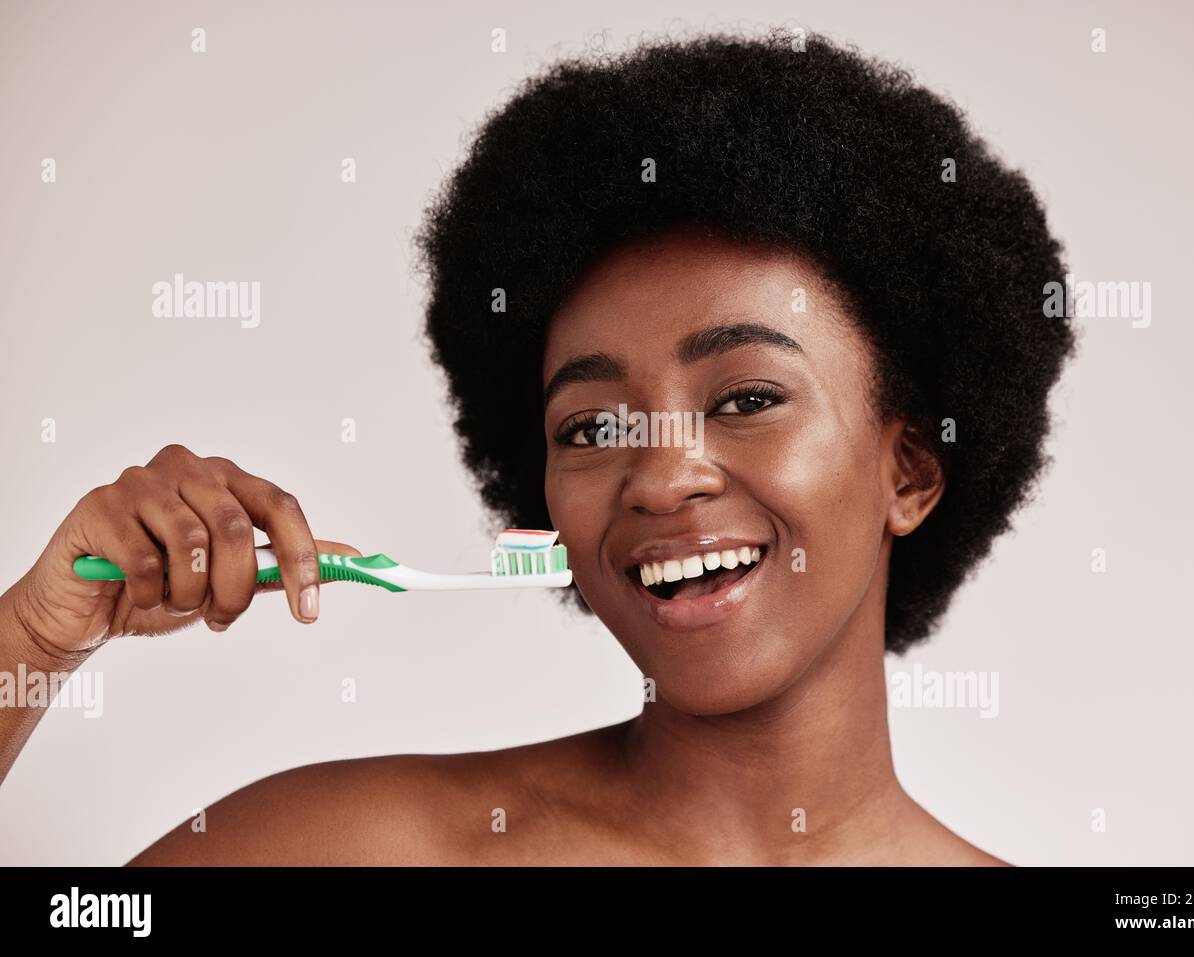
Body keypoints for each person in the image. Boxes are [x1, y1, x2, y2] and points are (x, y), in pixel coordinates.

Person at [0, 28, 1074, 865]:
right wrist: (33, 642)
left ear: (910, 472)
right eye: (593, 426)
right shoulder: (349, 854)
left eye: (745, 397)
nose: (657, 476)